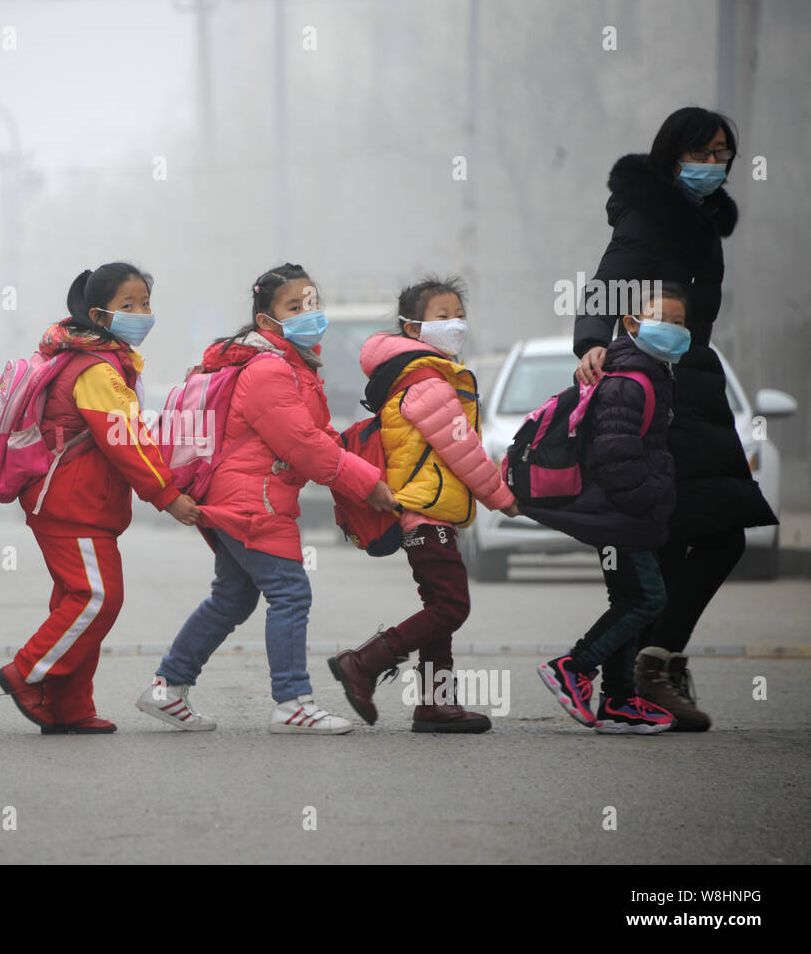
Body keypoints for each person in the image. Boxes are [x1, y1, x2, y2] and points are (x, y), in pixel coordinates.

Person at [574, 108, 775, 731]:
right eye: (702, 152)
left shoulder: (702, 226)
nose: (712, 165)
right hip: (660, 385)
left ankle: (645, 669)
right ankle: (649, 668)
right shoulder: (650, 216)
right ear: (672, 154)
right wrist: (590, 343)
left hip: (694, 382)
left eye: (722, 155)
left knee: (695, 533)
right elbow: (604, 288)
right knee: (711, 532)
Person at [136, 263, 396, 735]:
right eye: (293, 307)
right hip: (252, 501)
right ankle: (292, 702)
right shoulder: (269, 371)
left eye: (311, 304)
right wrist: (365, 482)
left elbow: (316, 437)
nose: (307, 315)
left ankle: (168, 688)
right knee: (290, 594)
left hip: (239, 496)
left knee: (232, 599)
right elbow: (305, 446)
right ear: (266, 321)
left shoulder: (292, 367)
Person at [0, 262, 200, 735]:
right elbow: (125, 439)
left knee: (77, 600)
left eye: (145, 303)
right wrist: (167, 496)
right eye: (128, 306)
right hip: (73, 504)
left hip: (78, 502)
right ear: (98, 315)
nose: (142, 313)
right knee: (97, 598)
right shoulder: (95, 370)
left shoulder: (102, 362)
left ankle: (68, 707)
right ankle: (27, 674)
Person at [328, 277, 519, 733]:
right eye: (442, 316)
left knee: (439, 608)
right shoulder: (428, 382)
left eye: (459, 314)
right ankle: (363, 662)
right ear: (413, 328)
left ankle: (435, 703)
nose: (454, 324)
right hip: (425, 509)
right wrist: (503, 498)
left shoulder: (425, 374)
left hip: (432, 509)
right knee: (451, 607)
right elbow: (463, 449)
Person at [536, 287, 690, 734]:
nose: (674, 330)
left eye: (681, 322)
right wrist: (644, 503)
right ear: (632, 323)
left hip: (626, 514)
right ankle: (574, 667)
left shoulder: (650, 372)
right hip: (624, 515)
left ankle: (619, 700)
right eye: (663, 319)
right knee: (648, 598)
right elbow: (614, 455)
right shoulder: (629, 380)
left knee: (627, 600)